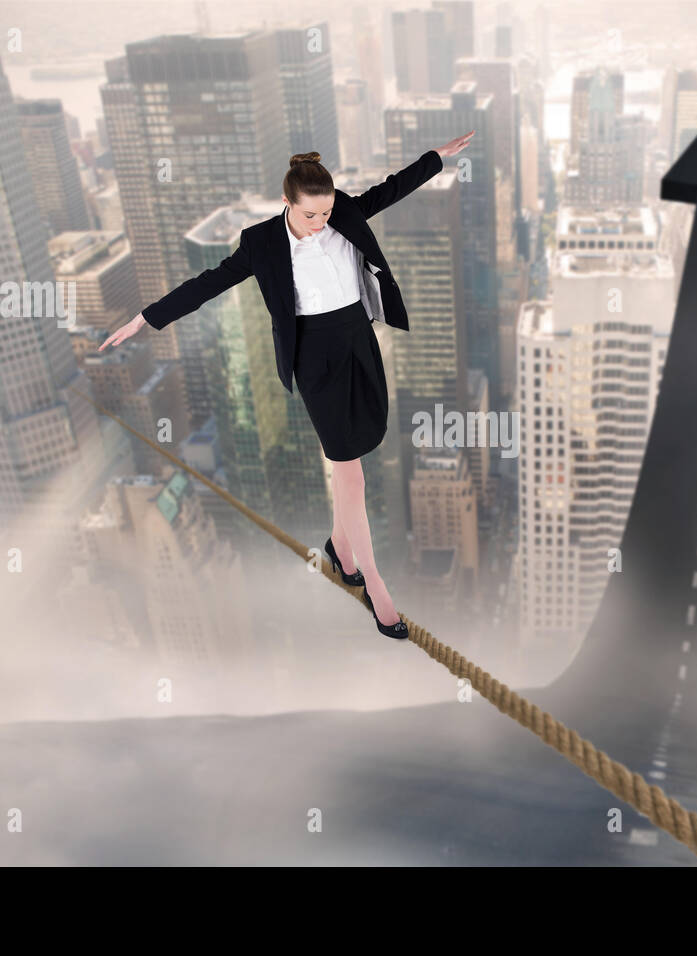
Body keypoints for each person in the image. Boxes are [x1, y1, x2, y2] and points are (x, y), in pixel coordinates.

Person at [99, 131, 475, 639]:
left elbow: (390, 190)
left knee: (363, 448)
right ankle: (376, 589)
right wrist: (146, 318)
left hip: (357, 344)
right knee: (351, 475)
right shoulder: (261, 243)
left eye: (326, 213)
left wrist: (437, 159)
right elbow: (207, 282)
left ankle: (341, 551)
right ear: (286, 204)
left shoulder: (342, 213)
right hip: (314, 358)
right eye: (310, 215)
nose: (321, 223)